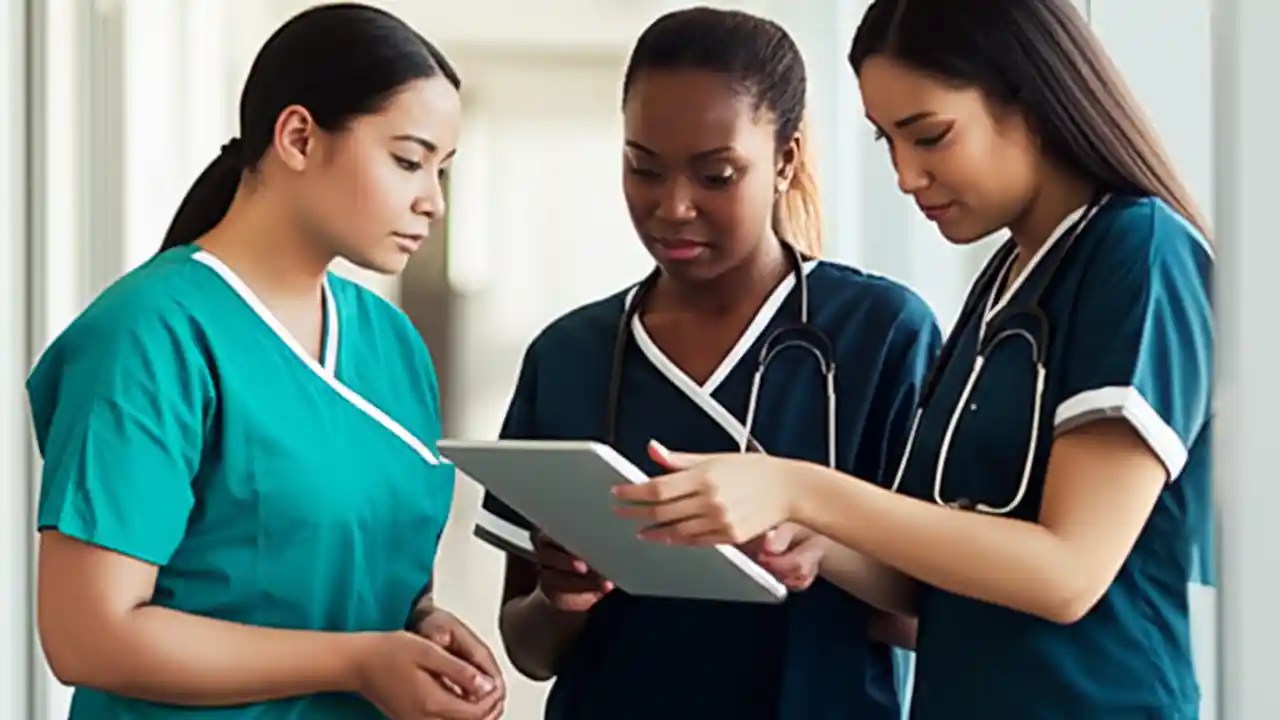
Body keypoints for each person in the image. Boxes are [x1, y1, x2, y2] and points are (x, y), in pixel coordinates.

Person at [614, 1, 1215, 718]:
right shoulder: (1002, 287)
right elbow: (931, 590)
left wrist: (800, 489)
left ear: (1031, 100)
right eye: (886, 142)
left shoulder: (1139, 252)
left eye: (929, 136)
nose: (905, 175)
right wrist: (813, 541)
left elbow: (1068, 573)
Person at [27, 4, 504, 719]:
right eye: (408, 160)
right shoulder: (151, 336)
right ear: (299, 137)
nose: (432, 201)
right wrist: (358, 661)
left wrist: (422, 628)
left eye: (442, 169)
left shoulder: (392, 344)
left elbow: (367, 577)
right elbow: (88, 636)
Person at [473, 7, 941, 720]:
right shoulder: (570, 355)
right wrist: (562, 599)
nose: (673, 207)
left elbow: (935, 617)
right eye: (643, 169)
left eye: (717, 175)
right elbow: (530, 649)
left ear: (785, 160)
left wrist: (820, 544)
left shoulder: (880, 335)